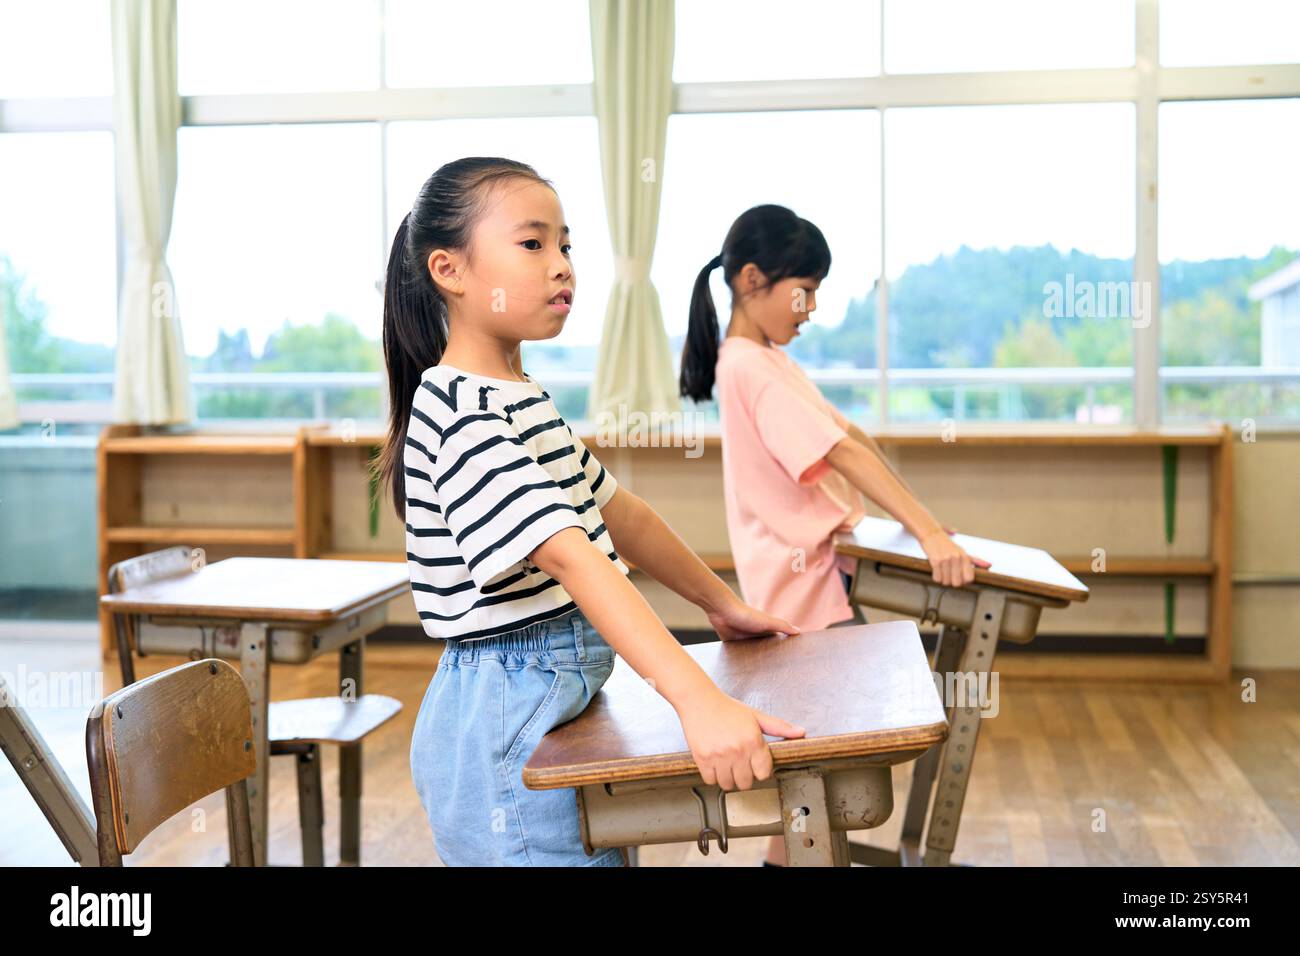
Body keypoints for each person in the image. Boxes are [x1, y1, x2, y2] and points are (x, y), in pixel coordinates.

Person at [378, 158, 805, 866]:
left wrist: (722, 604)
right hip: (502, 717)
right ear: (450, 271)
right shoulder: (460, 413)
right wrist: (696, 701)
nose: (561, 266)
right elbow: (573, 554)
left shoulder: (520, 395)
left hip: (550, 696)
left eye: (566, 246)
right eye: (532, 244)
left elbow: (619, 514)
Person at [679, 204, 990, 865]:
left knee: (809, 786)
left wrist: (919, 524)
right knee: (819, 779)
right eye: (806, 290)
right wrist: (927, 533)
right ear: (751, 280)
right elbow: (844, 456)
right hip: (799, 594)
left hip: (815, 580)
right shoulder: (748, 367)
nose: (811, 307)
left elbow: (849, 438)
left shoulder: (767, 360)